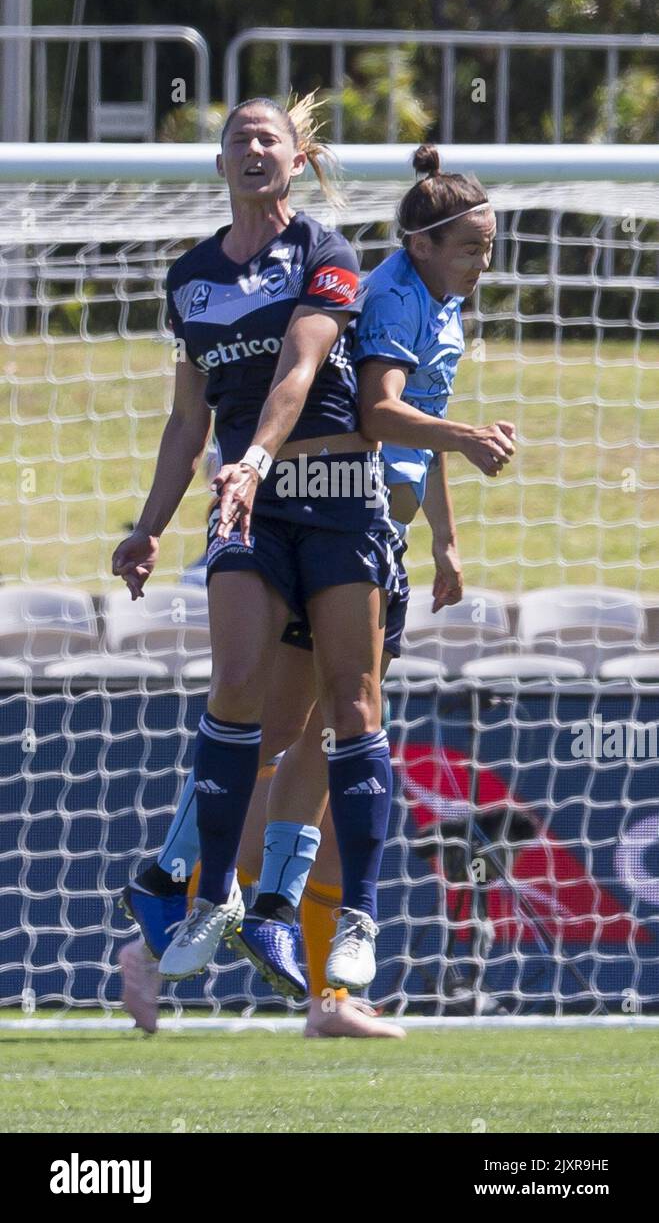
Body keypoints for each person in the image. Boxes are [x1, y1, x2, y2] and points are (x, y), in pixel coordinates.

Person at [119, 144, 516, 1033]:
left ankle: (295, 963)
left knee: (317, 743)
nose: (484, 263)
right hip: (315, 510)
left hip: (361, 524)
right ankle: (185, 916)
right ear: (424, 244)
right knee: (290, 738)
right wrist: (234, 471)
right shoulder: (375, 292)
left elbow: (415, 440)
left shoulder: (433, 309)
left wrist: (445, 541)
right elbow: (376, 413)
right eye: (472, 247)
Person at [113, 93, 400, 996]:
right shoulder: (190, 277)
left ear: (294, 159)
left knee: (340, 707)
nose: (249, 148)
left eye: (265, 137)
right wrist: (148, 525)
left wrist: (258, 457)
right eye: (236, 137)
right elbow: (185, 417)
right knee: (236, 689)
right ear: (219, 164)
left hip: (337, 497)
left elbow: (301, 367)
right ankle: (215, 895)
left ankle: (353, 914)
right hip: (245, 505)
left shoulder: (325, 252)